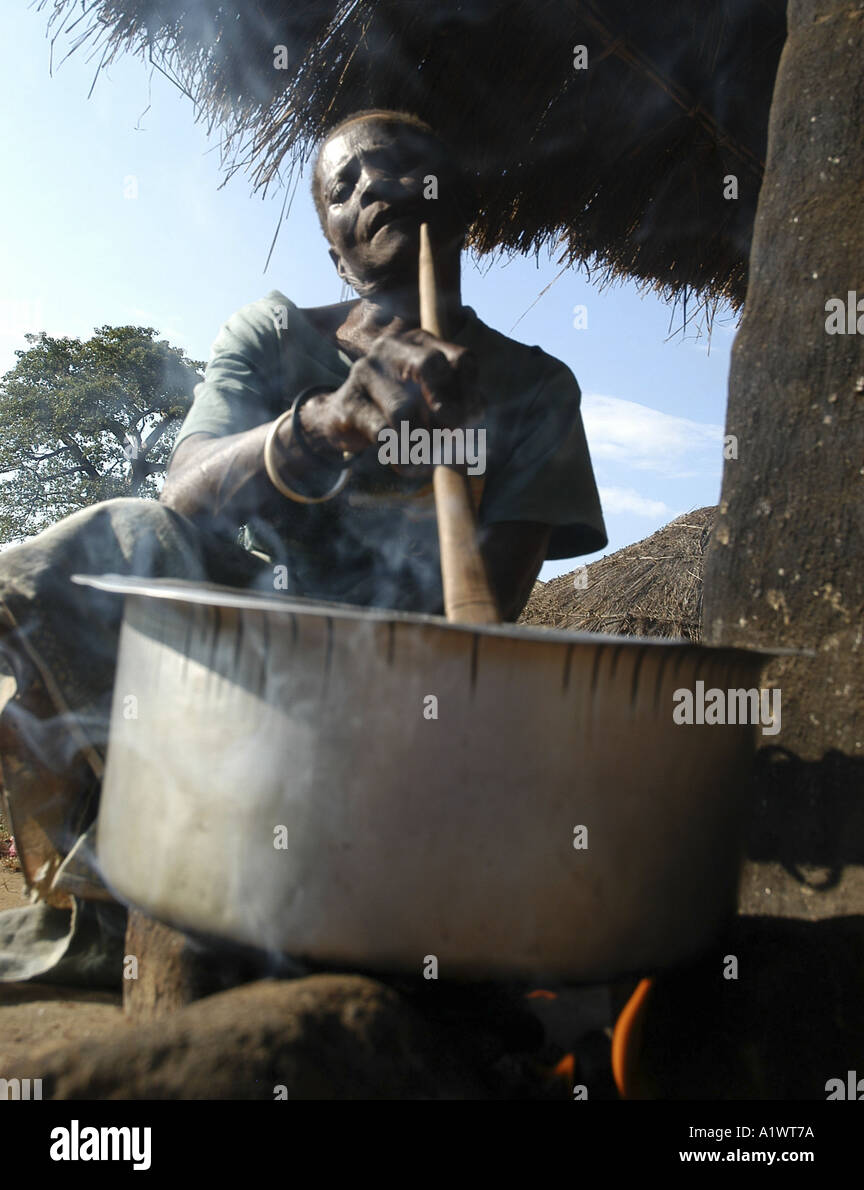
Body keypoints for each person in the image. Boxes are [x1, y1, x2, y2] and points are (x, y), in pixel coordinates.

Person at [0, 108, 606, 978]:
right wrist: (322, 425)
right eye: (343, 186)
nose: (371, 188)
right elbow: (184, 491)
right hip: (246, 673)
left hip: (415, 701)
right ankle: (107, 905)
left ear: (457, 198)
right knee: (125, 534)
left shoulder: (536, 387)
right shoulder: (275, 337)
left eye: (396, 164)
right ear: (334, 247)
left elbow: (493, 608)